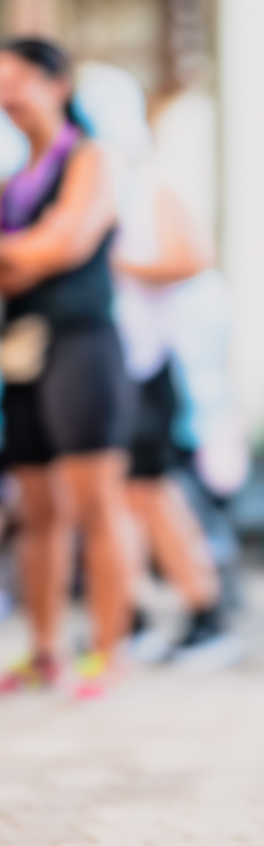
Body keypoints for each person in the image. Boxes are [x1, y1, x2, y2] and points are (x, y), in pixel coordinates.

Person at [0, 37, 132, 697]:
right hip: (20, 349)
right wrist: (23, 253)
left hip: (82, 344)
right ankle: (44, 652)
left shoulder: (93, 157)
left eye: (17, 79)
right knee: (37, 509)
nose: (6, 95)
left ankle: (107, 651)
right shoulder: (10, 181)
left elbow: (70, 243)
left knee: (97, 503)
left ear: (57, 83)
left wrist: (12, 254)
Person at [114, 144, 235, 666]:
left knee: (158, 495)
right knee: (124, 502)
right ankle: (131, 619)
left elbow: (191, 259)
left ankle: (206, 618)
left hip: (153, 370)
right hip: (122, 370)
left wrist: (105, 259)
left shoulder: (150, 189)